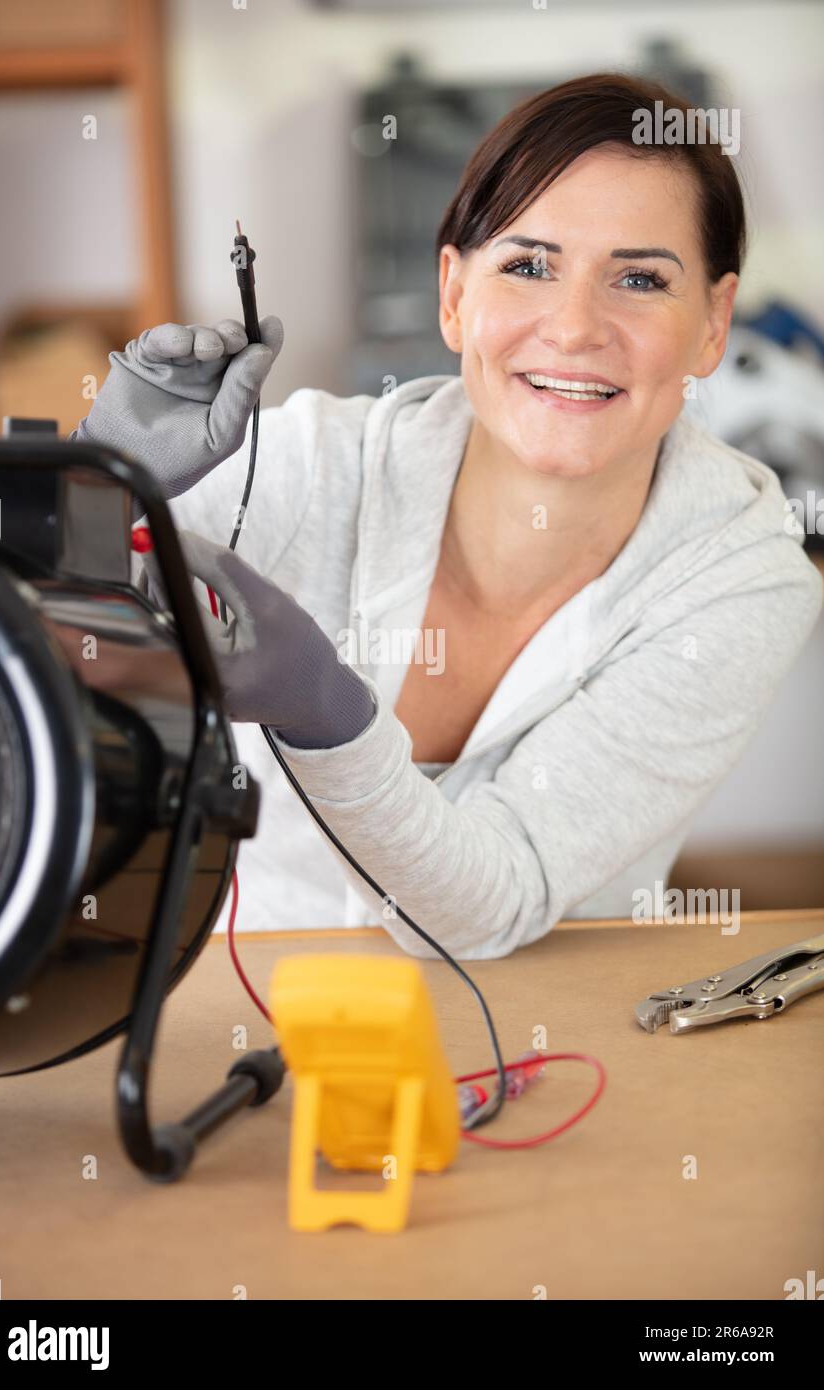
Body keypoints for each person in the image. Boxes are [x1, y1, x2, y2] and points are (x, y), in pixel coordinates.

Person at [72, 72, 823, 960]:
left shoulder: (744, 574)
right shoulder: (304, 464)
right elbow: (26, 626)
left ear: (713, 321)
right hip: (240, 1020)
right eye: (529, 266)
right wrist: (90, 485)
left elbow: (485, 905)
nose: (576, 327)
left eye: (640, 279)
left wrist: (327, 716)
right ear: (454, 296)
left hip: (557, 1042)